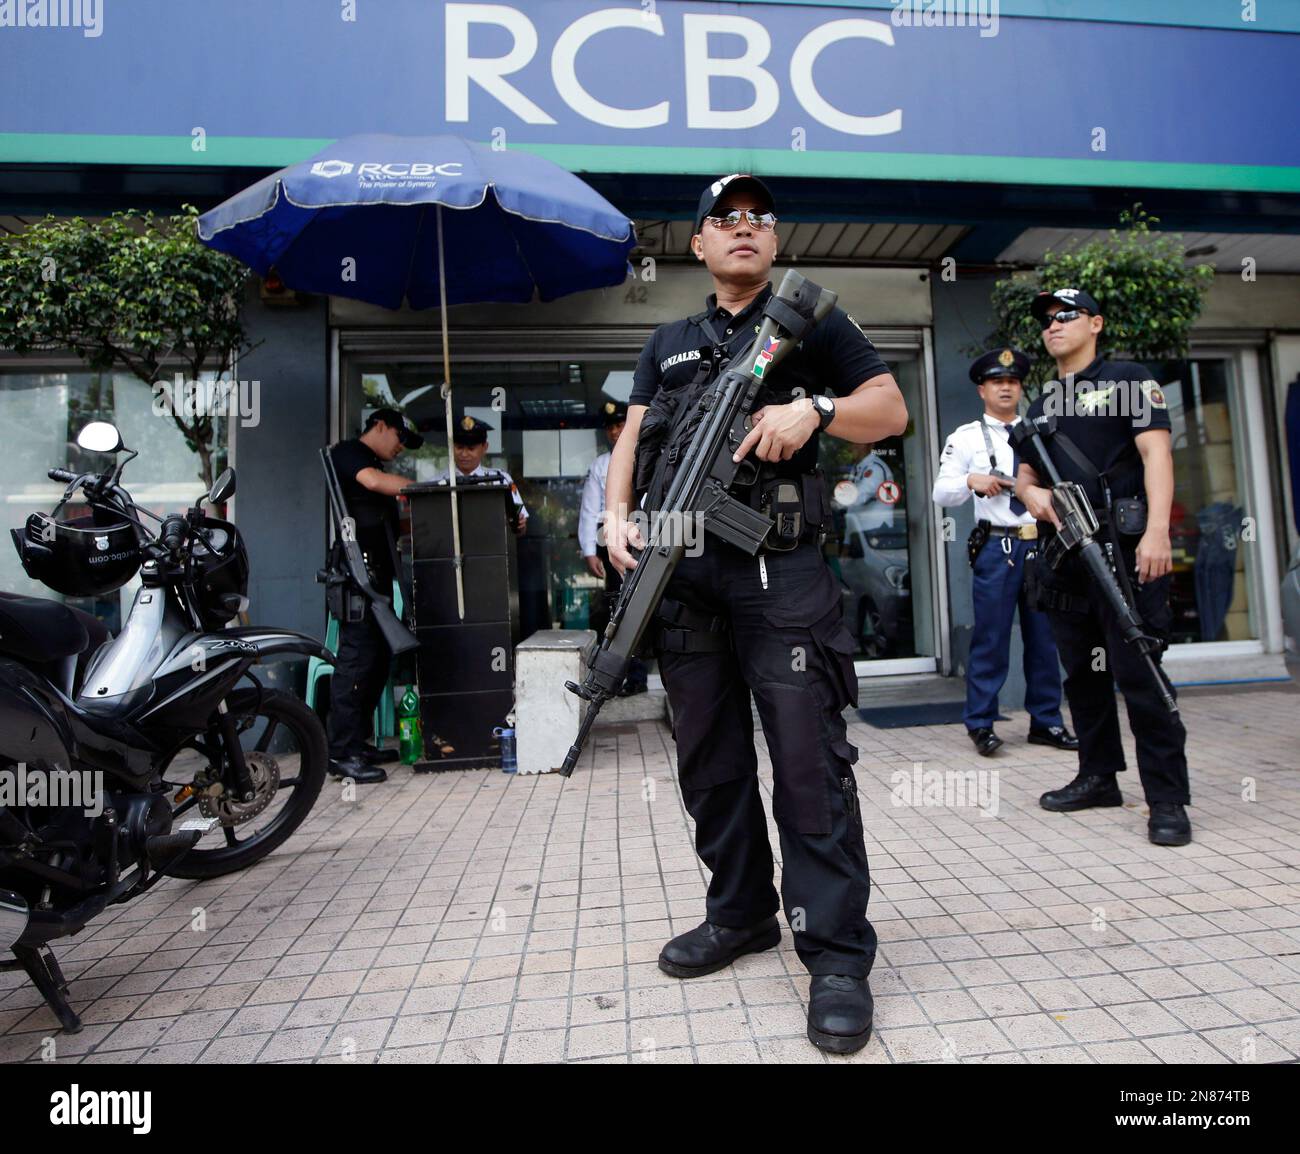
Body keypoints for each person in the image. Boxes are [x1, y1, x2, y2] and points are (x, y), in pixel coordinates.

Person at [605, 173, 908, 1054]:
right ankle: (739, 915)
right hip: (684, 583)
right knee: (710, 762)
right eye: (723, 220)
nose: (743, 229)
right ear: (696, 244)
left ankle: (838, 956)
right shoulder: (665, 341)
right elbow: (631, 439)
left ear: (772, 241)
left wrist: (814, 409)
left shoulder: (815, 325)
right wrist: (617, 519)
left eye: (758, 219)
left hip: (781, 579)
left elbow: (887, 411)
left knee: (808, 764)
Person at [1014, 287, 1192, 846]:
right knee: (1083, 678)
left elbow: (1156, 454)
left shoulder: (1129, 380)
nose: (1053, 325)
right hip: (1066, 559)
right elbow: (1024, 475)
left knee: (1140, 673)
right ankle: (1098, 776)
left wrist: (1159, 531)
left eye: (1065, 315)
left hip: (1123, 551)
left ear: (1096, 323)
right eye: (1046, 319)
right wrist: (1031, 497)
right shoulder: (1041, 402)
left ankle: (1166, 799)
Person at [932, 348, 1078, 757]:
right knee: (991, 639)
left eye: (1012, 382)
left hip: (1043, 542)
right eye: (998, 382)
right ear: (982, 389)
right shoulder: (965, 437)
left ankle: (1047, 721)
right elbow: (940, 493)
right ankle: (981, 722)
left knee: (1045, 640)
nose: (1006, 388)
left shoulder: (1042, 432)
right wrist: (971, 480)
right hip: (999, 545)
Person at [326, 407, 423, 783]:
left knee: (378, 660)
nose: (400, 447)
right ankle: (341, 753)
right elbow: (372, 482)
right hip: (356, 576)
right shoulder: (350, 452)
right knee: (356, 660)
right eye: (399, 437)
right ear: (379, 426)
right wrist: (423, 489)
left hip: (376, 578)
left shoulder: (372, 463)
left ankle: (357, 742)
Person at [578, 400, 647, 694]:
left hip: (645, 536)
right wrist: (589, 550)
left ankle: (640, 677)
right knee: (617, 609)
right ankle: (617, 676)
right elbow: (590, 508)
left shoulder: (649, 455)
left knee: (644, 606)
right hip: (613, 542)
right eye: (612, 427)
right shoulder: (600, 466)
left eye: (621, 425)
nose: (617, 432)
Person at [439, 415, 527, 535]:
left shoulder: (501, 479)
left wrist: (520, 524)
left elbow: (521, 527)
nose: (464, 454)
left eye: (471, 448)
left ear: (485, 447)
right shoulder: (438, 482)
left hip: (492, 549)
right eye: (459, 447)